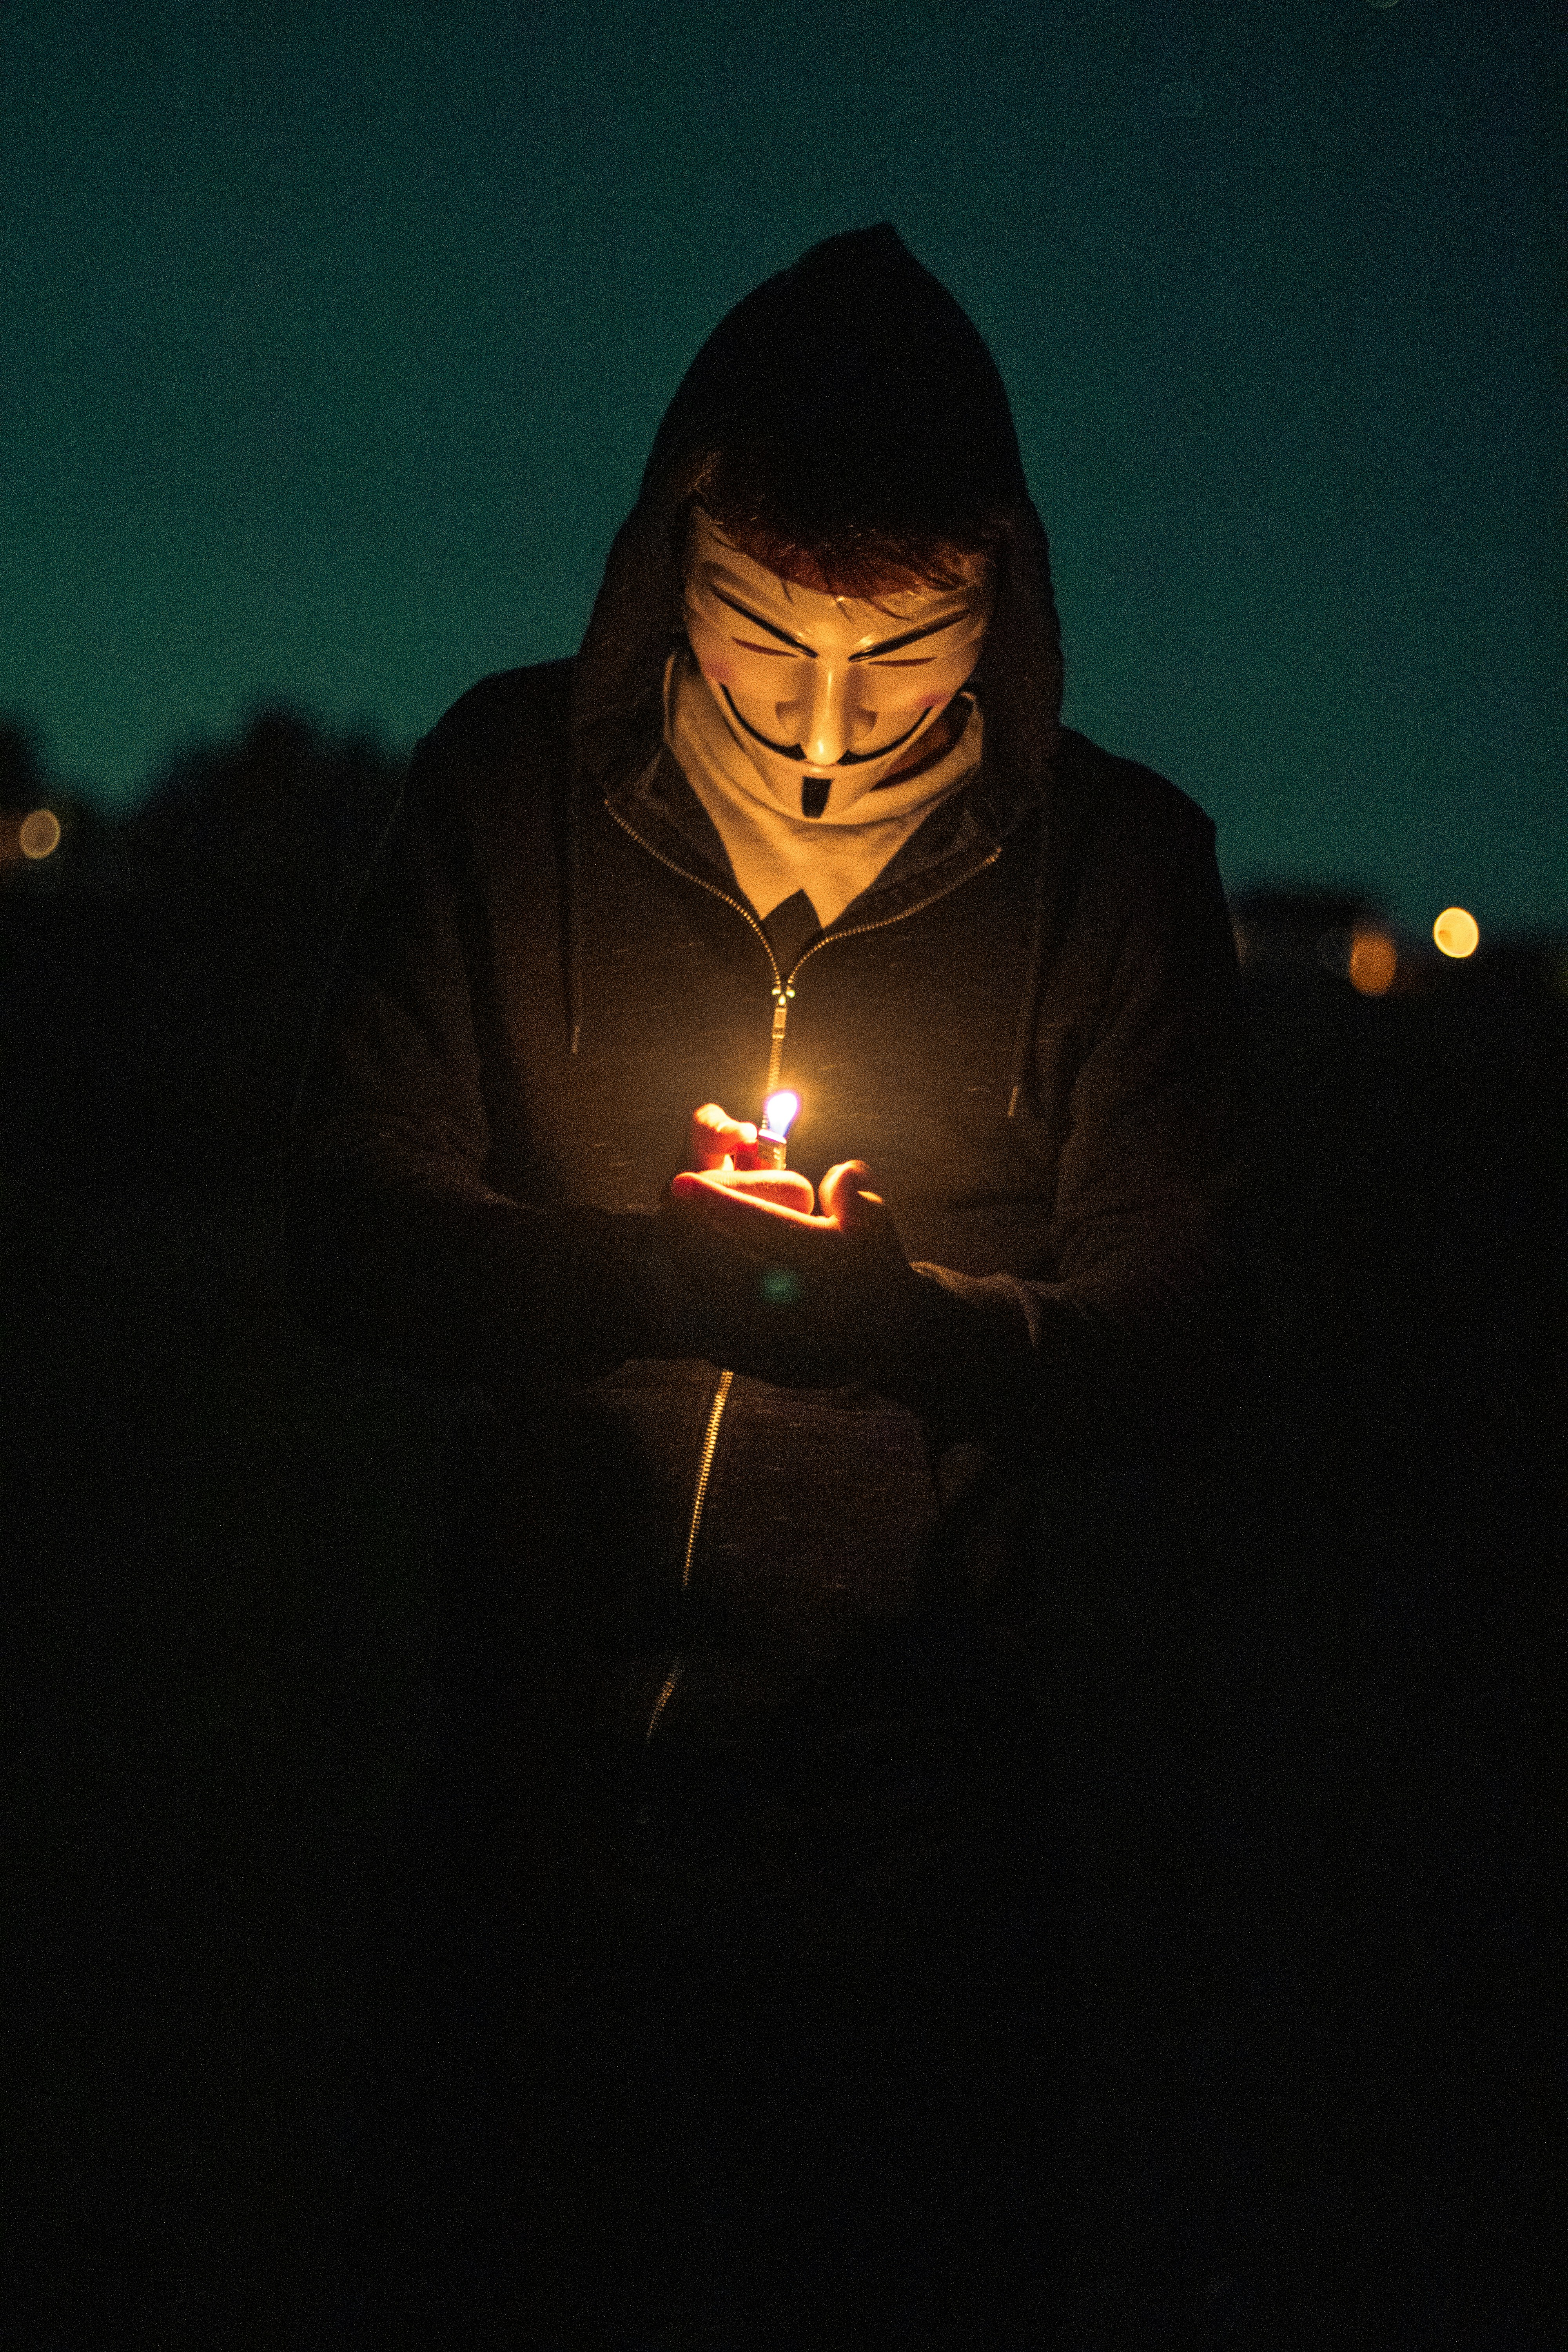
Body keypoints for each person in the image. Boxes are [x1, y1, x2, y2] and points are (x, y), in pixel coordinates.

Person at [284, 224, 1252, 2350]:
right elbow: (348, 1220)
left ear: (1004, 598)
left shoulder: (1114, 876)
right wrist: (641, 1277)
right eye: (757, 634)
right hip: (523, 1821)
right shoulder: (509, 793)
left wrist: (907, 1329)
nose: (825, 716)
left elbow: (1186, 1333)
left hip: (915, 1864)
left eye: (904, 651)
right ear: (672, 558)